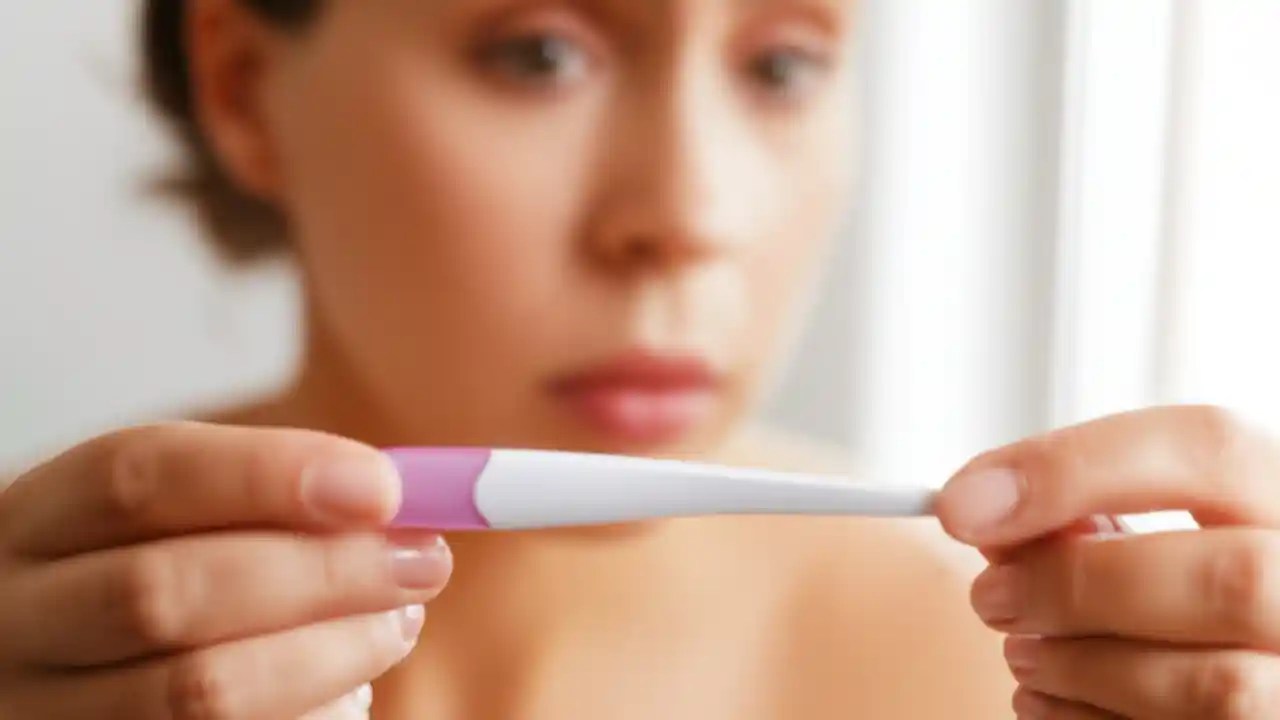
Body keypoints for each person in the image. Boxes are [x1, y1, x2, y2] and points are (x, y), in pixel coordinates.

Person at [3, 1, 1279, 718]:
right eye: (540, 54)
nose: (688, 214)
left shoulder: (1008, 676)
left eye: (781, 66)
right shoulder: (42, 641)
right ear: (239, 87)